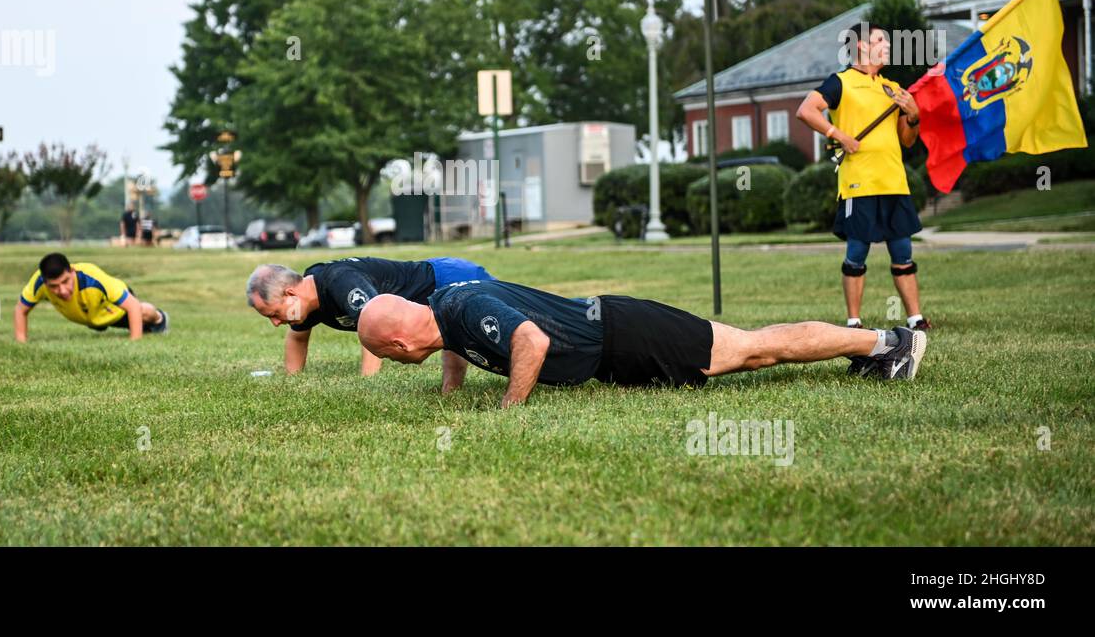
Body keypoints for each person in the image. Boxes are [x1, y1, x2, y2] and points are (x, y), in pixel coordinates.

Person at [356, 280, 927, 408]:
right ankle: (870, 347)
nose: (392, 363)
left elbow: (531, 340)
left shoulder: (460, 306)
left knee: (754, 351)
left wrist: (510, 409)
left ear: (403, 342)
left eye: (385, 355)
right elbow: (458, 344)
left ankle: (886, 342)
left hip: (626, 333)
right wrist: (452, 386)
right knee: (745, 356)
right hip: (613, 348)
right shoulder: (446, 312)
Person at [796, 21, 931, 332]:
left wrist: (913, 115)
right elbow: (806, 110)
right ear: (861, 45)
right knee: (856, 253)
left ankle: (915, 319)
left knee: (903, 252)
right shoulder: (840, 82)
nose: (888, 46)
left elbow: (907, 140)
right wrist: (838, 134)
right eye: (881, 40)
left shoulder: (893, 89)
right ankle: (853, 323)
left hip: (894, 182)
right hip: (859, 184)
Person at [246, 257, 493, 376]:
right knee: (455, 339)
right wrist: (293, 380)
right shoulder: (307, 297)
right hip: (439, 284)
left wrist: (368, 382)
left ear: (291, 294)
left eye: (275, 314)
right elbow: (297, 338)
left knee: (495, 331)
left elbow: (374, 325)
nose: (276, 322)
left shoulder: (340, 282)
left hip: (448, 278)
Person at [14, 252, 168, 342]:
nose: (62, 290)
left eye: (65, 281)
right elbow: (21, 309)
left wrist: (135, 341)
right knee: (100, 323)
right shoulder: (38, 283)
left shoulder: (92, 277)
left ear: (72, 271)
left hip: (115, 309)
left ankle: (160, 318)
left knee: (142, 311)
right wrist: (21, 342)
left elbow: (132, 306)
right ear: (45, 281)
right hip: (92, 317)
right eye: (53, 286)